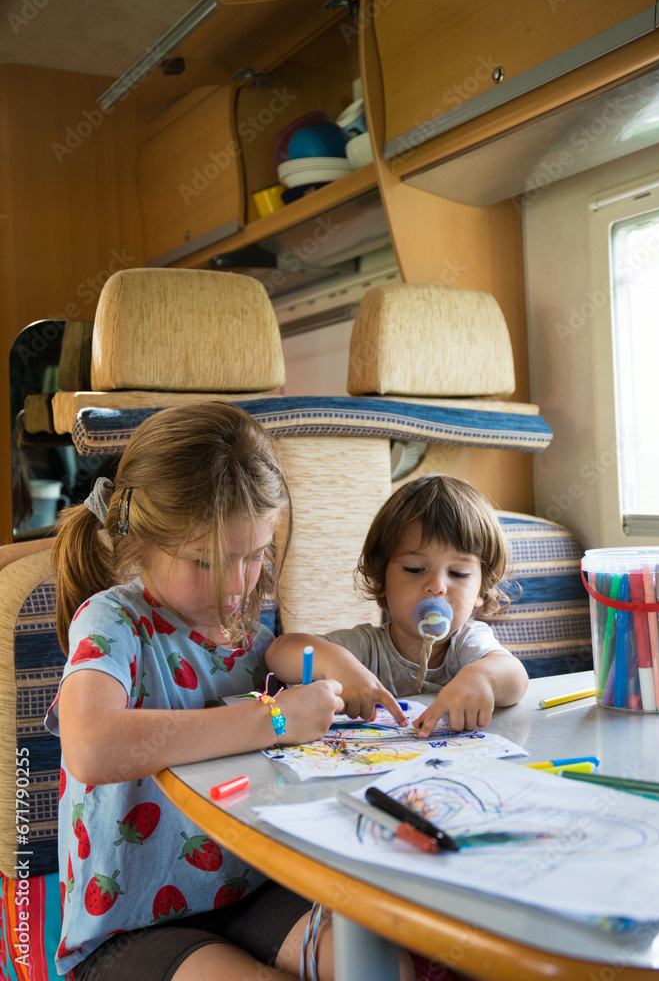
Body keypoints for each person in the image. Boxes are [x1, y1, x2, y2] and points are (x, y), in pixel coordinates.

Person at [45, 401, 411, 981]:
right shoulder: (112, 621)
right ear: (144, 542)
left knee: (374, 962)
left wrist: (333, 668)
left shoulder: (248, 633)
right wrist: (277, 719)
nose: (239, 584)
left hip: (249, 890)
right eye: (207, 561)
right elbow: (91, 748)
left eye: (256, 554)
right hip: (130, 921)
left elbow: (284, 673)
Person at [267, 474, 529, 739]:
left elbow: (516, 678)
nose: (437, 586)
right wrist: (334, 661)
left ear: (481, 591)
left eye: (458, 573)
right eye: (415, 569)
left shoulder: (468, 643)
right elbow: (277, 654)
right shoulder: (367, 648)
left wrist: (482, 678)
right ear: (381, 579)